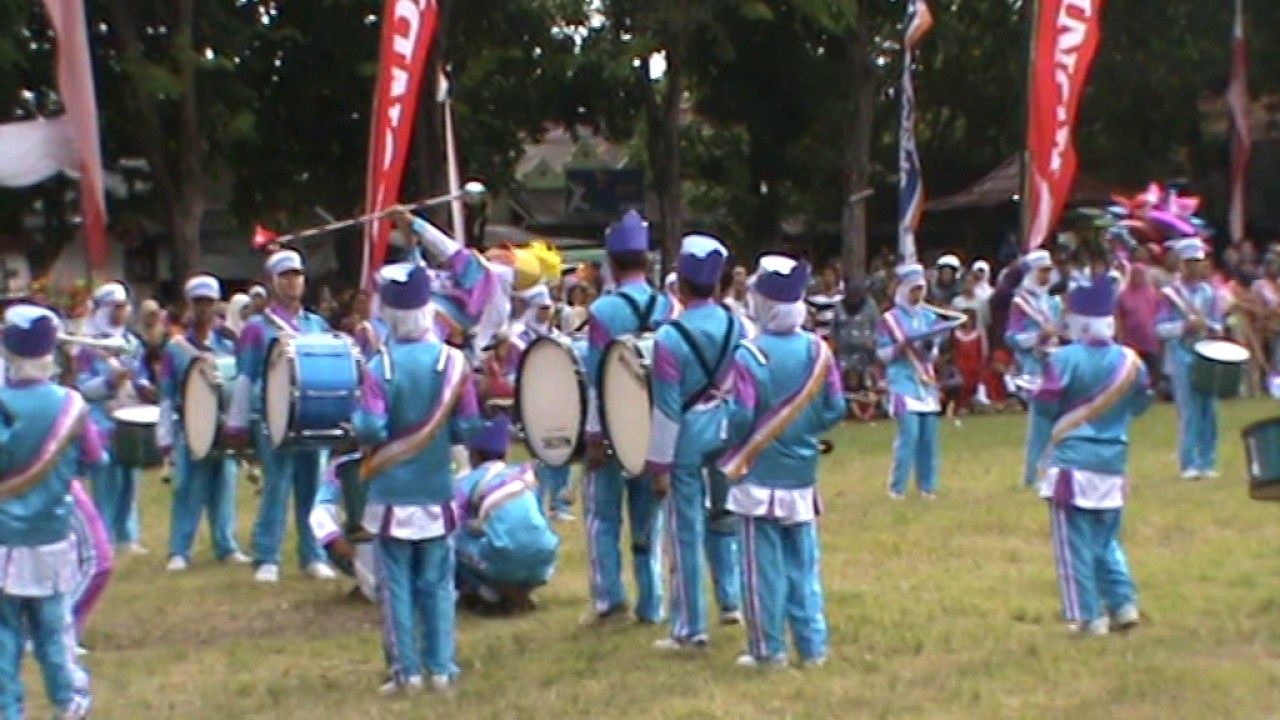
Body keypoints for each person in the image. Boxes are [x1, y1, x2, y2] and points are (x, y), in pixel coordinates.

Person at [352, 261, 480, 694]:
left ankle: (405, 672)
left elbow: (370, 428)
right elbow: (468, 426)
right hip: (436, 488)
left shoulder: (378, 367)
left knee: (397, 585)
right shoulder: (454, 363)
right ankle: (441, 668)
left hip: (391, 492)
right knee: (438, 583)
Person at [718, 255, 845, 668]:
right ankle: (813, 647)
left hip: (758, 472)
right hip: (802, 473)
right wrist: (805, 431)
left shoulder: (749, 354)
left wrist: (729, 435)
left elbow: (740, 417)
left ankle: (768, 649)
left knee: (761, 569)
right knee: (804, 565)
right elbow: (835, 408)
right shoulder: (819, 351)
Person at [0, 304, 105, 718]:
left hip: (3, 540)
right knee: (54, 631)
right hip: (54, 537)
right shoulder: (72, 405)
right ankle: (68, 701)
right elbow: (98, 460)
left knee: (3, 636)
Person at [1030, 272, 1149, 635]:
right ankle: (1123, 604)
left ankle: (1087, 616)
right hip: (1113, 461)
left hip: (1072, 463)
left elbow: (1047, 406)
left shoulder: (1063, 359)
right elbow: (1142, 403)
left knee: (1073, 545)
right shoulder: (1131, 361)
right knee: (1106, 539)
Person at [646, 234, 743, 651]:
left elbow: (667, 409)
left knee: (685, 531)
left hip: (686, 437)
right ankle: (731, 600)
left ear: (680, 286)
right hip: (729, 430)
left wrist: (658, 465)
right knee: (726, 518)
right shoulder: (736, 324)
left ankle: (690, 626)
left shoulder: (668, 338)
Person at [581, 210, 672, 626]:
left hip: (614, 424)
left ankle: (609, 598)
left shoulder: (602, 310)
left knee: (603, 516)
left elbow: (599, 376)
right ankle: (652, 602)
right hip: (654, 425)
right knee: (648, 516)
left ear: (613, 263)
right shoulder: (668, 305)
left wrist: (594, 434)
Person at [226, 250, 338, 583]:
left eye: (297, 275)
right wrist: (237, 421)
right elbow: (245, 376)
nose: (293, 282)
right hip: (271, 416)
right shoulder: (257, 329)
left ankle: (313, 555)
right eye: (285, 276)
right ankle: (267, 556)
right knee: (276, 486)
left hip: (313, 415)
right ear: (273, 282)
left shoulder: (316, 325)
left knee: (312, 488)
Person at [156, 275, 250, 571]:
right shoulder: (177, 348)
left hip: (223, 427)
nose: (203, 309)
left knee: (224, 487)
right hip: (191, 428)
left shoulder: (228, 343)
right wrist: (165, 436)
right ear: (190, 305)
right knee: (188, 489)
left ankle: (226, 544)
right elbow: (168, 394)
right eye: (198, 303)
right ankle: (179, 550)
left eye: (209, 303)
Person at [75, 282, 154, 553]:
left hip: (129, 415)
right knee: (107, 482)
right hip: (102, 420)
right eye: (116, 307)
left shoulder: (131, 343)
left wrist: (145, 387)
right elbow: (83, 386)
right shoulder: (87, 346)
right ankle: (103, 537)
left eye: (124, 306)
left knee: (131, 478)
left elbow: (140, 374)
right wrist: (110, 382)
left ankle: (128, 536)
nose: (122, 312)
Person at [453, 415, 559, 615]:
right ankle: (522, 589)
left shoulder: (468, 483)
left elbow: (450, 522)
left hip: (502, 561)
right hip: (544, 560)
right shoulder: (524, 475)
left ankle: (488, 593)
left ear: (473, 453)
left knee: (451, 539)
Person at [876, 264, 950, 499]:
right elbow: (882, 354)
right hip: (901, 383)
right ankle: (897, 488)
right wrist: (901, 347)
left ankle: (927, 487)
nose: (918, 295)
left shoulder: (929, 317)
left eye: (921, 289)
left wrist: (929, 345)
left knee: (929, 438)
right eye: (913, 289)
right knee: (909, 435)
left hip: (926, 383)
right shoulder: (889, 320)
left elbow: (934, 353)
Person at [1155, 237, 1225, 480]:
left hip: (1206, 353)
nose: (1194, 267)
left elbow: (1218, 323)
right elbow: (1160, 329)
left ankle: (1207, 460)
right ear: (1180, 264)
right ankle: (1189, 462)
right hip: (1180, 354)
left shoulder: (1209, 293)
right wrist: (1184, 326)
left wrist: (1211, 327)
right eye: (1189, 262)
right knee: (1189, 410)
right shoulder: (1170, 294)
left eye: (1198, 262)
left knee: (1209, 409)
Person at [509, 285, 575, 520]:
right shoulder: (517, 339)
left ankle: (560, 505)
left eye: (548, 308)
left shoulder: (560, 339)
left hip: (559, 402)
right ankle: (536, 504)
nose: (545, 313)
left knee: (562, 452)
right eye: (541, 308)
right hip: (533, 404)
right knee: (539, 456)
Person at [1005, 250, 1063, 488]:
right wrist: (1036, 338)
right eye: (1042, 271)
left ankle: (1054, 470)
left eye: (1049, 271)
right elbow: (1012, 337)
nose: (1046, 276)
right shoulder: (1020, 303)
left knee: (1059, 422)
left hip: (1055, 364)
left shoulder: (1052, 302)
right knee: (1039, 423)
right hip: (1033, 366)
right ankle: (1032, 474)